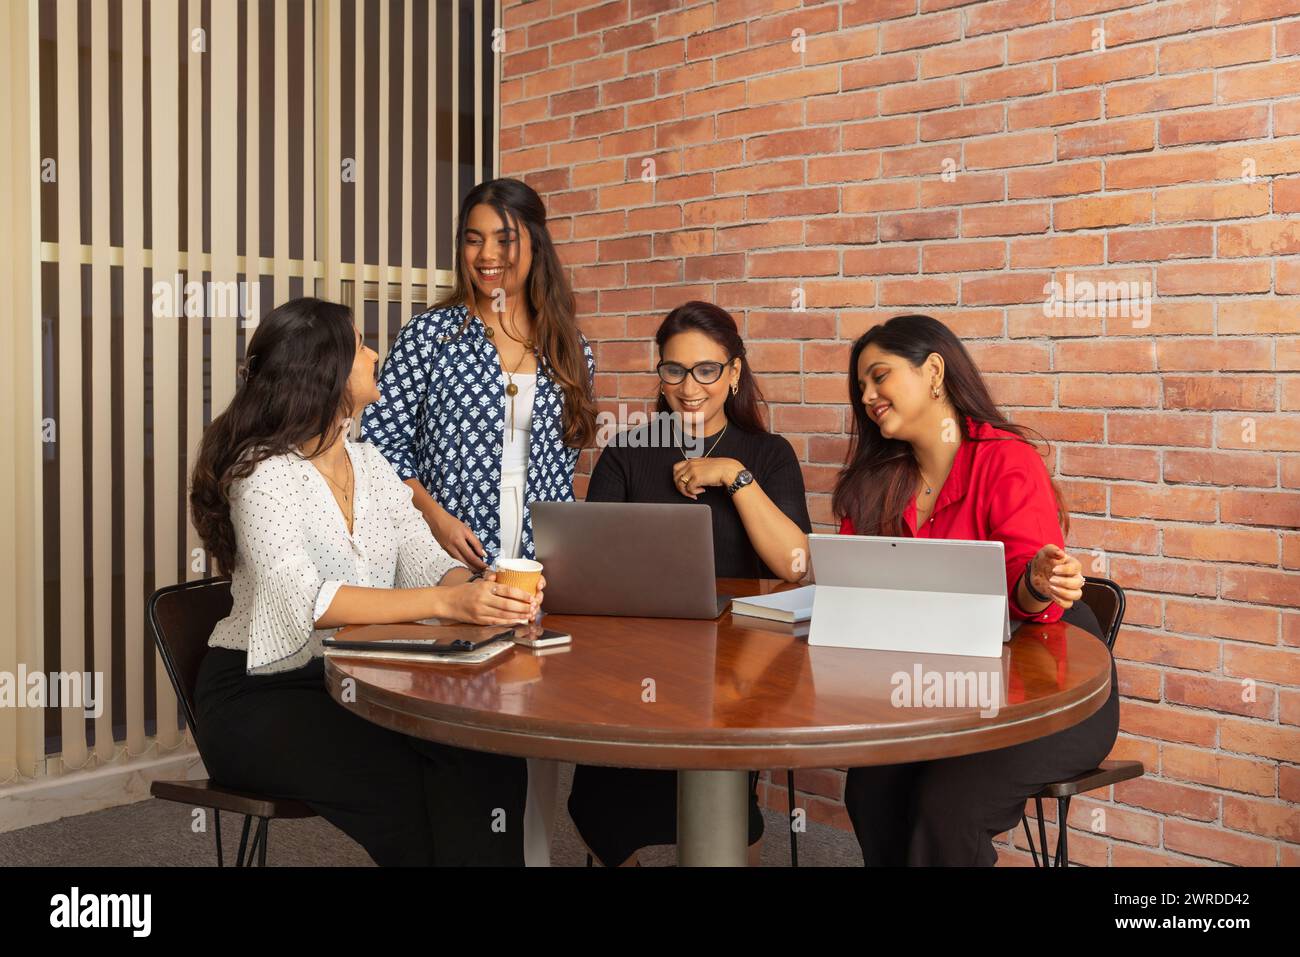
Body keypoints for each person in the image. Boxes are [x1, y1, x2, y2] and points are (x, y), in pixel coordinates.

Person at [190, 296, 543, 866]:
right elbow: (305, 601)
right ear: (324, 369)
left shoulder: (372, 464)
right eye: (359, 345)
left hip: (352, 677)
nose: (374, 353)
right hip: (261, 691)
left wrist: (487, 591)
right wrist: (450, 604)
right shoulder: (261, 475)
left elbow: (426, 559)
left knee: (481, 751)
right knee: (407, 787)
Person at [360, 177, 597, 866]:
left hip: (540, 570)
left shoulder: (570, 346)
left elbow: (565, 461)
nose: (486, 253)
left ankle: (531, 856)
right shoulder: (432, 337)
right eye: (473, 237)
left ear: (534, 244)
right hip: (455, 567)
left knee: (538, 734)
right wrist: (432, 515)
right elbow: (376, 449)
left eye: (504, 238)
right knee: (471, 735)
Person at [832, 313, 1120, 866]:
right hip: (942, 685)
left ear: (934, 371)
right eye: (861, 385)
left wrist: (1037, 580)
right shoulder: (876, 480)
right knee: (870, 792)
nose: (867, 395)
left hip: (1050, 692)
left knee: (948, 808)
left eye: (880, 376)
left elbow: (1032, 587)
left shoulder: (1006, 459)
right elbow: (858, 582)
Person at [566, 300, 812, 866]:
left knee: (718, 803)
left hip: (737, 665)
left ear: (734, 373)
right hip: (635, 659)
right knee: (608, 802)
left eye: (707, 370)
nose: (689, 386)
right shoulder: (627, 452)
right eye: (674, 370)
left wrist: (733, 477)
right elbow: (590, 562)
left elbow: (795, 564)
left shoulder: (767, 455)